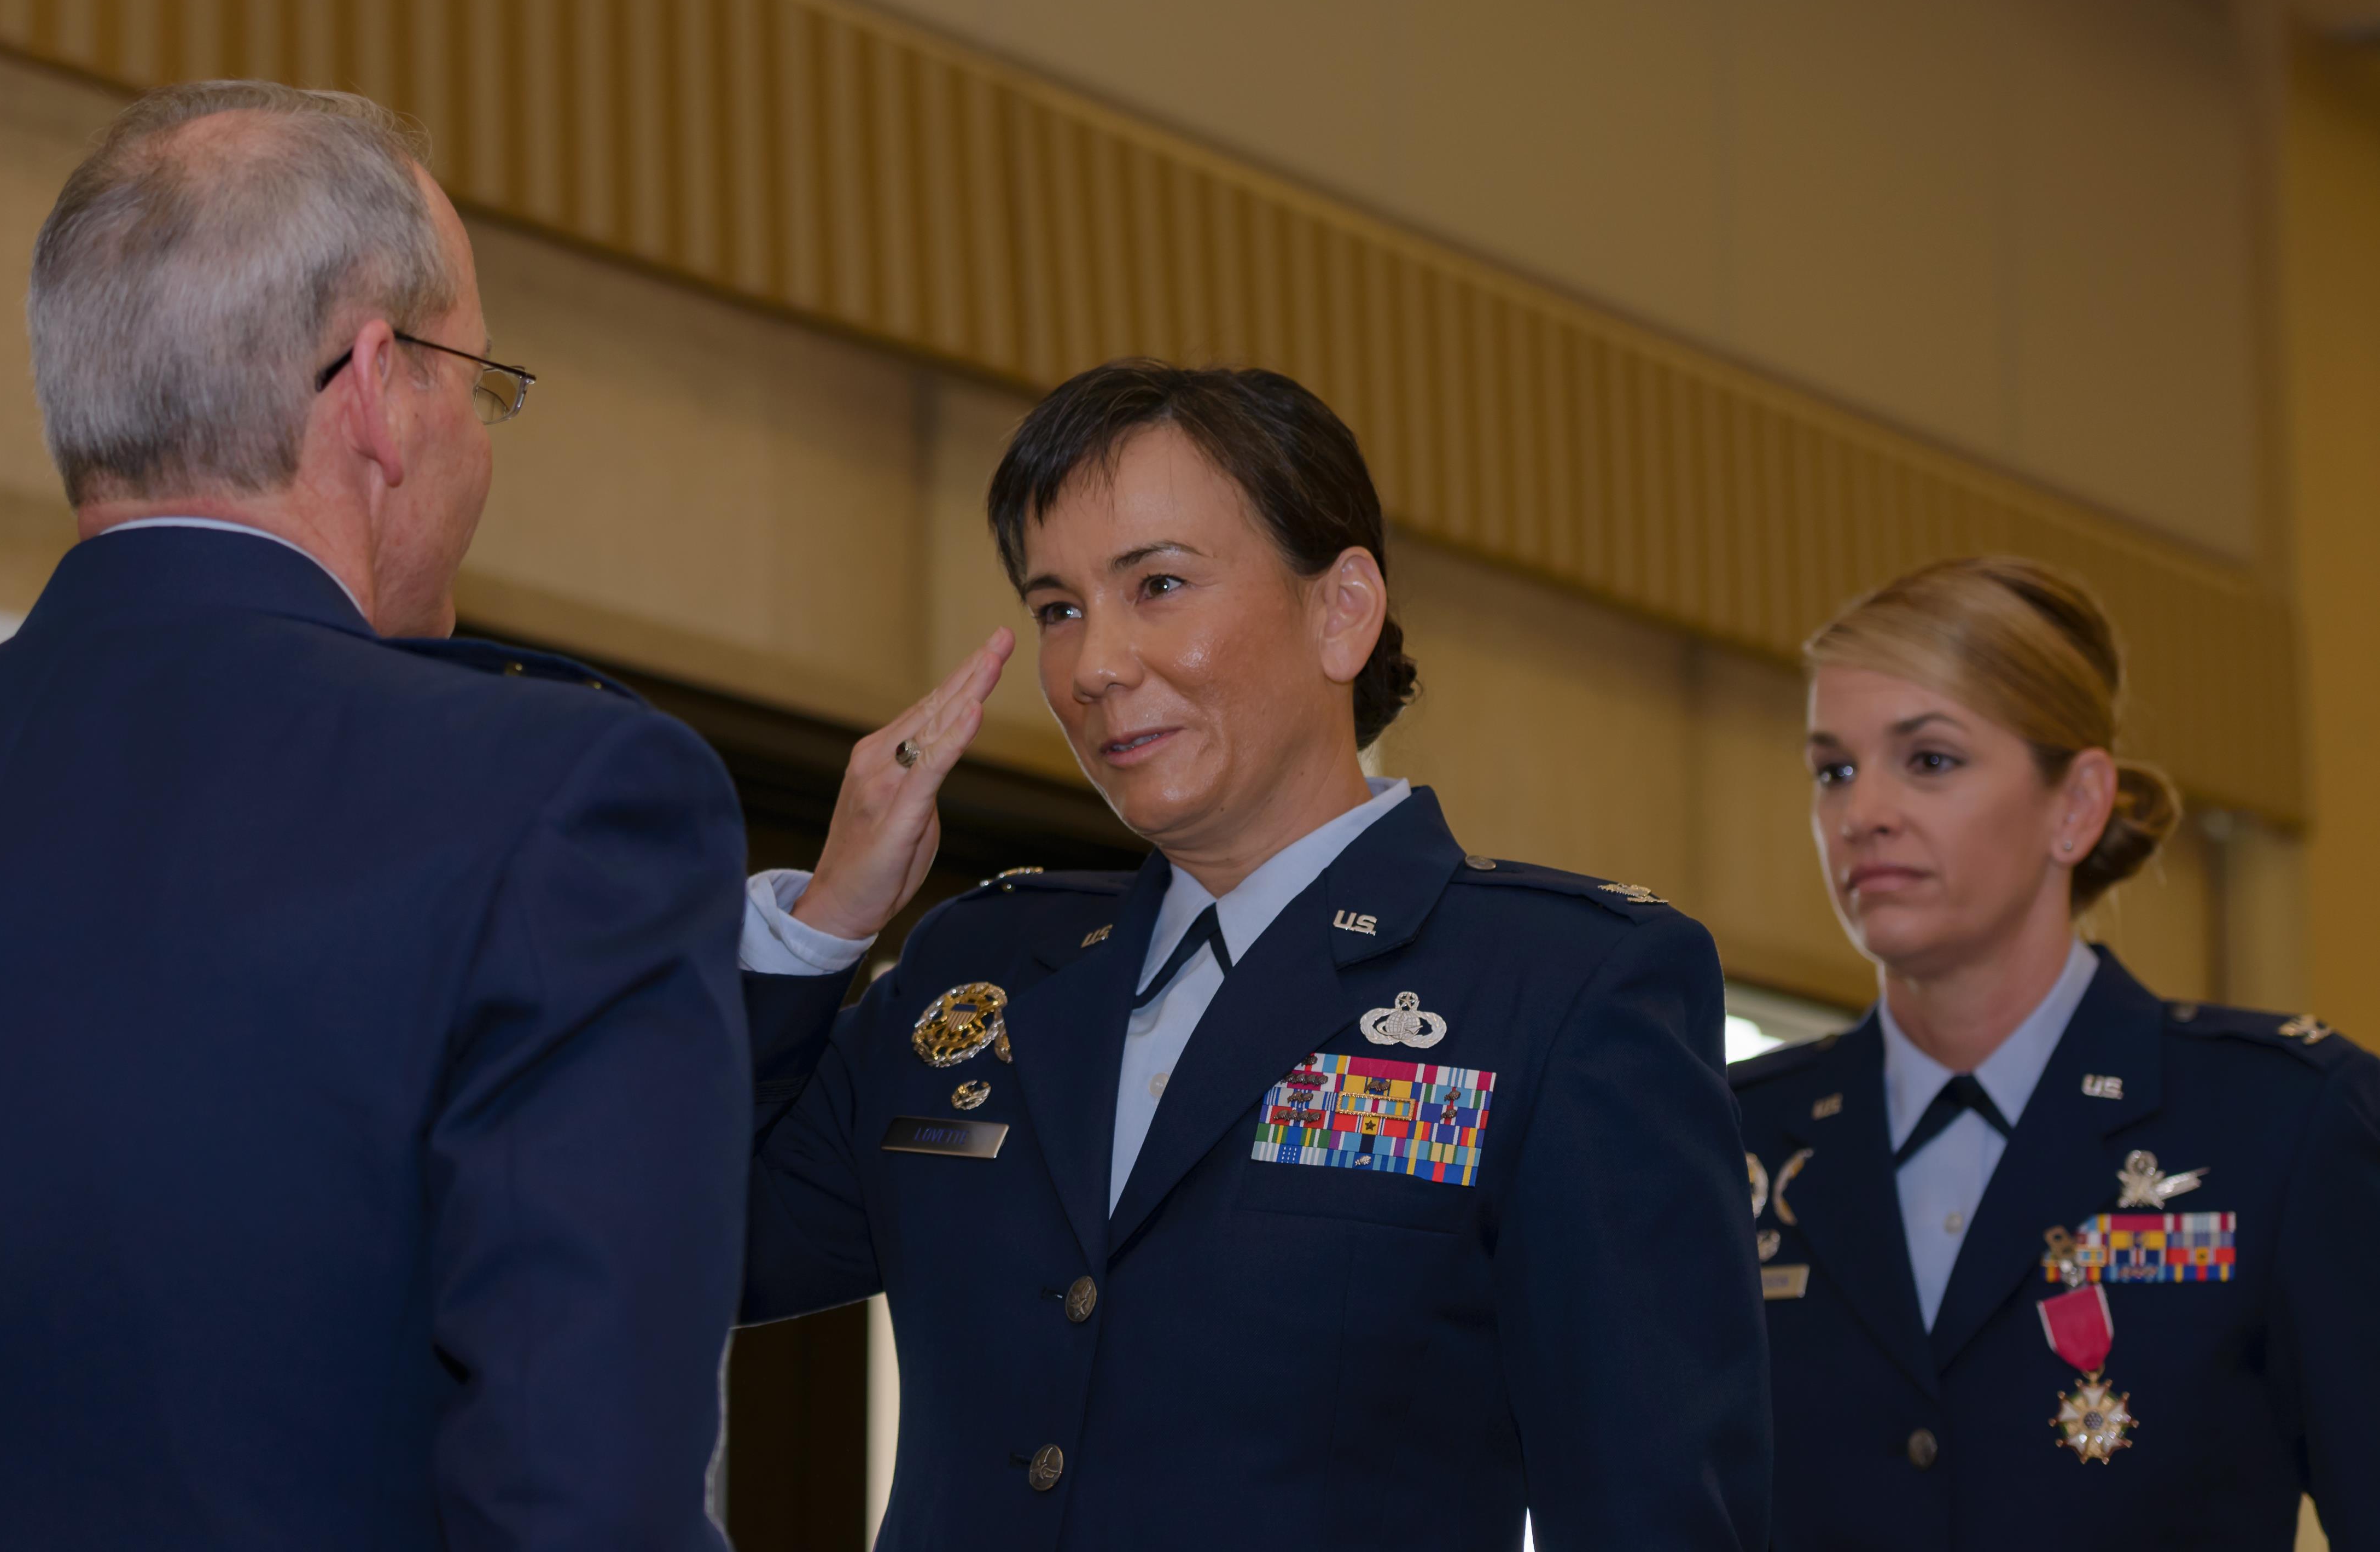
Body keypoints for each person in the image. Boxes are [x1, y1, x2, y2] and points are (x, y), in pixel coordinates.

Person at [0, 83, 747, 1550]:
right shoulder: (558, 804)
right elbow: (576, 1507)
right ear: (380, 391)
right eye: (483, 381)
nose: (480, 435)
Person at [738, 359, 1770, 1549]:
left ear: (1341, 611)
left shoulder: (1559, 988)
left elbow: (1657, 1509)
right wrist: (823, 923)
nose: (1093, 666)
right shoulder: (988, 969)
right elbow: (705, 1249)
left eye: (1158, 585)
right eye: (1057, 608)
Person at [1734, 558, 2379, 1551]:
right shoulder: (1730, 1134)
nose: (1862, 813)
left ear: (2075, 805)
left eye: (1931, 760)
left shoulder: (2280, 1121)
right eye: (1834, 770)